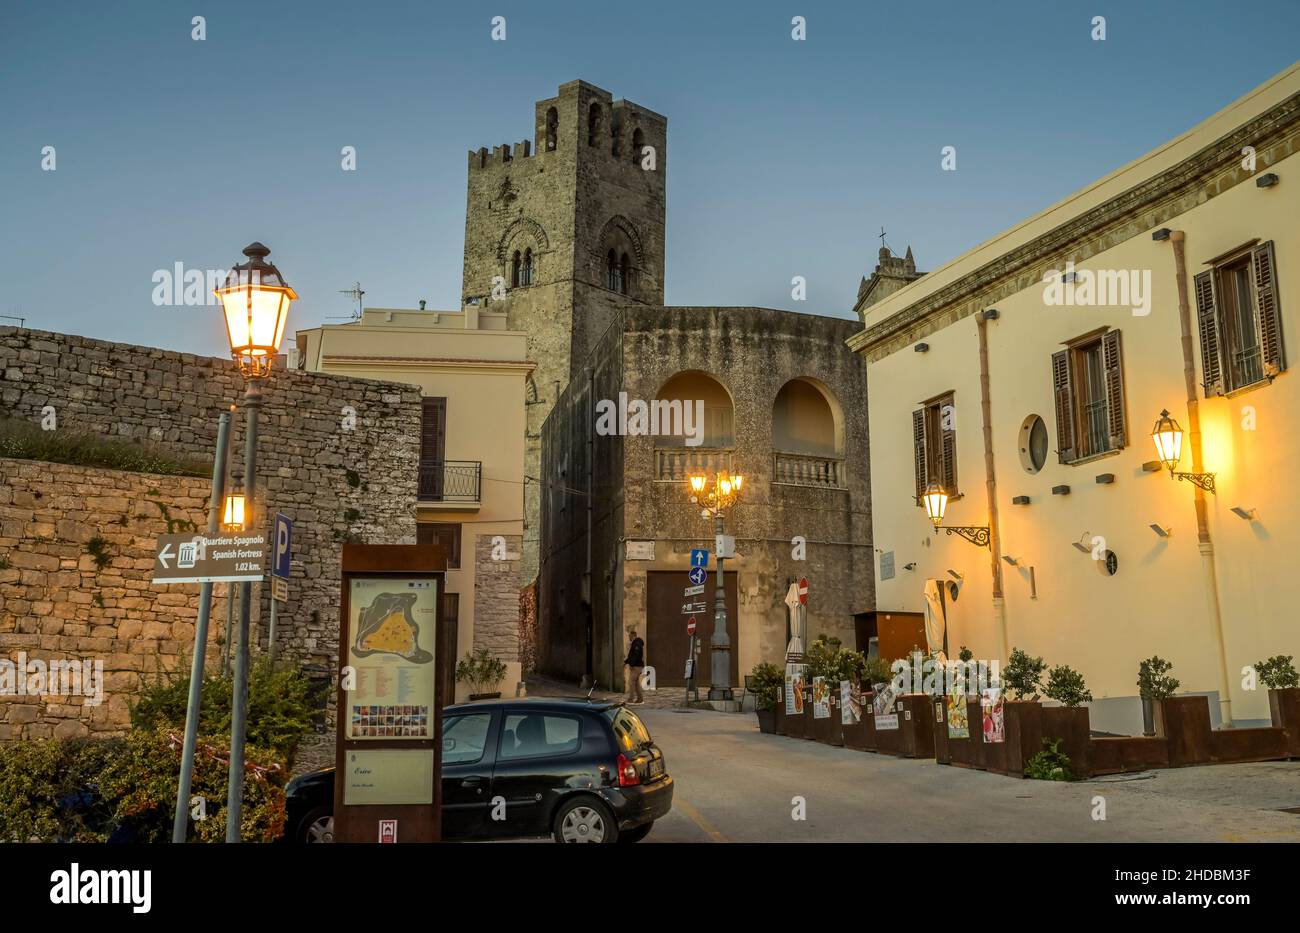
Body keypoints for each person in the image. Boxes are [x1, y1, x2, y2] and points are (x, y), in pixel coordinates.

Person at [624, 628, 646, 704]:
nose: (629, 638)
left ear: (633, 635)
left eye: (629, 636)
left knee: (631, 682)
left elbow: (636, 655)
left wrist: (632, 664)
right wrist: (626, 662)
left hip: (636, 666)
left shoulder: (637, 643)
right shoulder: (636, 643)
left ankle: (631, 699)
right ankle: (640, 699)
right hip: (637, 666)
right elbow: (631, 656)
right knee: (636, 684)